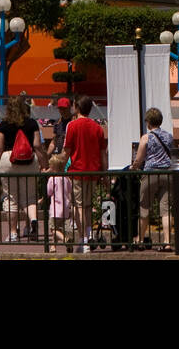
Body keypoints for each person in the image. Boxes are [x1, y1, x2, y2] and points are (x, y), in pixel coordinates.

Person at [0, 94, 43, 241]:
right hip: (29, 160)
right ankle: (33, 221)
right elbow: (37, 145)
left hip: (9, 160)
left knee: (11, 198)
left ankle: (13, 233)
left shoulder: (4, 124)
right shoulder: (32, 123)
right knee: (30, 197)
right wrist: (44, 163)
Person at [62, 95, 108, 252]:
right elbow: (103, 154)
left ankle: (84, 239)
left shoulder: (72, 126)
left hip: (77, 171)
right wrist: (105, 173)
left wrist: (57, 166)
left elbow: (66, 151)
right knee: (88, 205)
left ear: (76, 107)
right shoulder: (98, 128)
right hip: (94, 171)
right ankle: (87, 236)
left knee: (78, 206)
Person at [132, 107, 176, 251]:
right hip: (168, 173)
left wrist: (134, 167)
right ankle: (167, 241)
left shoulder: (146, 138)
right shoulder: (169, 136)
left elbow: (139, 159)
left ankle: (139, 239)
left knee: (144, 206)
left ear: (149, 122)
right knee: (165, 208)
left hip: (151, 173)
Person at [45, 153, 74, 252]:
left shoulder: (52, 179)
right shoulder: (67, 179)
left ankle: (65, 240)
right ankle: (54, 246)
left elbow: (49, 192)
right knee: (62, 228)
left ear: (53, 167)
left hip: (55, 209)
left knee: (53, 229)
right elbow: (70, 190)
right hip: (65, 208)